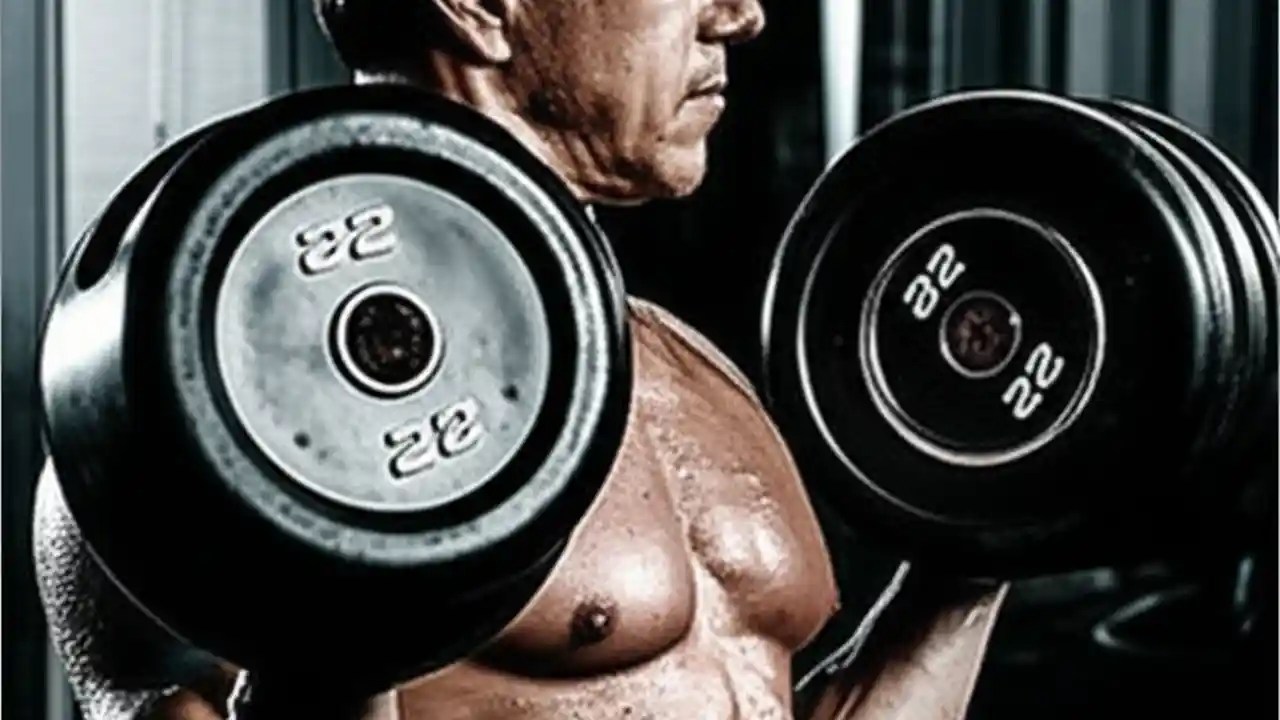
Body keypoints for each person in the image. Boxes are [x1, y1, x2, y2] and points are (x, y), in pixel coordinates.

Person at [33, 0, 1009, 717]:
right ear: (480, 8)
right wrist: (328, 646)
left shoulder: (682, 364)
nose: (742, 16)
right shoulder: (186, 431)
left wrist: (989, 535)